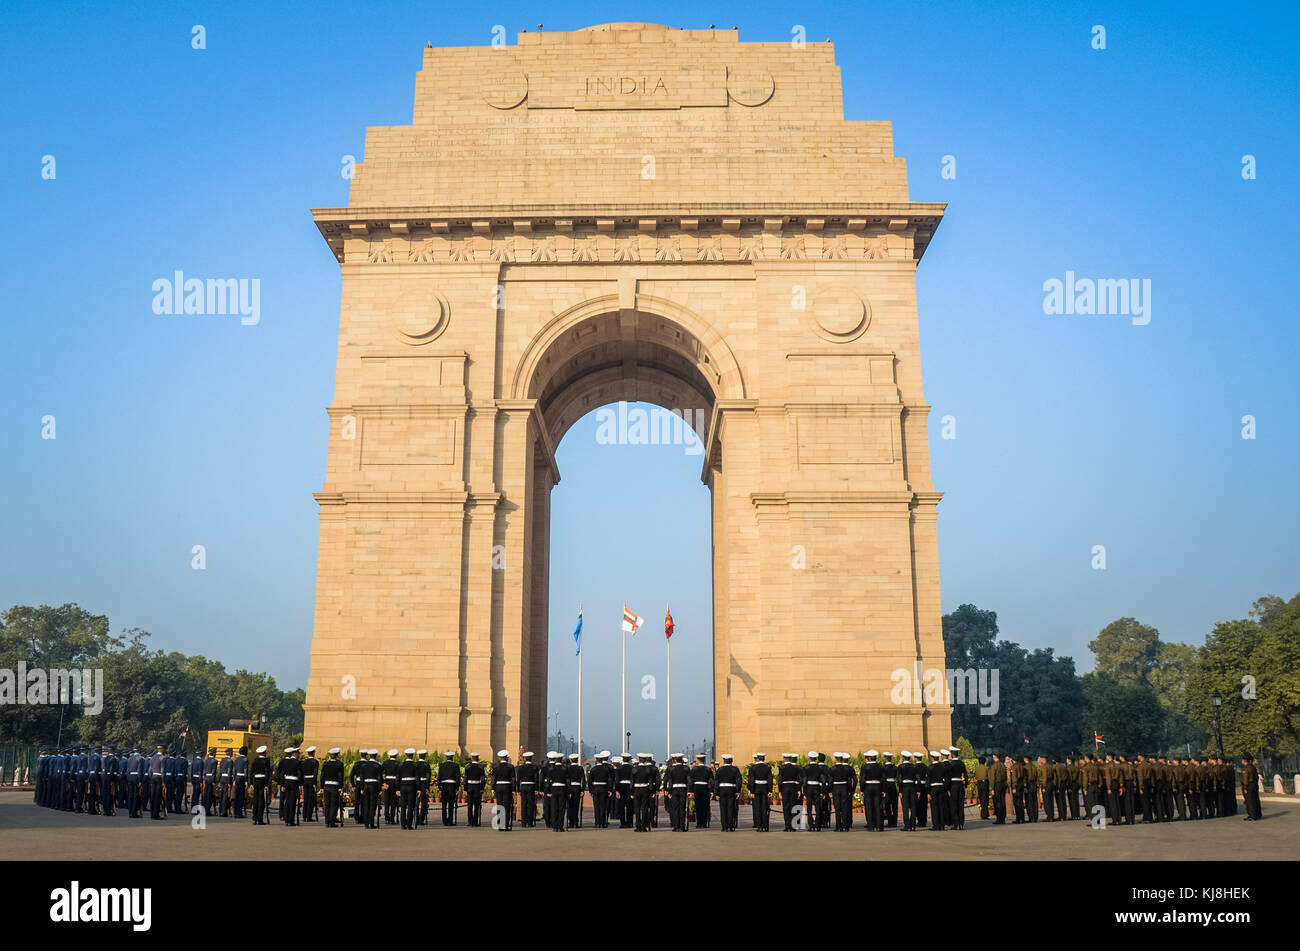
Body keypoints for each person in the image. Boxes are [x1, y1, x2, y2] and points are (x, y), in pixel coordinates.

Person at [632, 753, 658, 832]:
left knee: (637, 809)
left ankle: (638, 826)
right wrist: (651, 791)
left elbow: (632, 781)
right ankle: (643, 826)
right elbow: (650, 781)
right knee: (644, 808)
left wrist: (631, 792)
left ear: (639, 760)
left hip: (636, 790)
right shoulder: (648, 769)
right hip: (645, 790)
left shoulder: (634, 769)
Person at [715, 754, 741, 832]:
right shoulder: (735, 769)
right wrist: (738, 791)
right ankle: (731, 825)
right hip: (731, 789)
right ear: (731, 761)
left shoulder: (719, 769)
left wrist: (716, 793)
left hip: (722, 790)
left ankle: (724, 826)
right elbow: (738, 780)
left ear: (724, 760)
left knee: (723, 808)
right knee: (731, 807)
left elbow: (716, 781)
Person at [747, 753, 772, 831]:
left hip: (756, 789)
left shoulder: (753, 768)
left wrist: (751, 791)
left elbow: (751, 780)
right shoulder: (767, 767)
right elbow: (770, 780)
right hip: (764, 789)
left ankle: (759, 826)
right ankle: (765, 825)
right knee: (764, 807)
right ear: (764, 759)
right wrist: (770, 790)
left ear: (757, 758)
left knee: (757, 807)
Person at [492, 750, 516, 831]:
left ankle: (500, 825)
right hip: (507, 786)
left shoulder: (495, 767)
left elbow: (493, 779)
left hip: (498, 787)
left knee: (500, 805)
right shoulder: (510, 766)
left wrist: (493, 788)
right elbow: (513, 779)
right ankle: (506, 825)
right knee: (507, 806)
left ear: (499, 758)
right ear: (507, 758)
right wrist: (513, 789)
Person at [320, 748, 344, 827]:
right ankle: (332, 822)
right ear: (337, 755)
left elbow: (322, 776)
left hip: (326, 786)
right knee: (334, 804)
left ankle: (327, 822)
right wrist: (340, 787)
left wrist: (322, 787)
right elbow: (340, 776)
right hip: (335, 786)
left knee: (327, 804)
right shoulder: (339, 764)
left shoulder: (325, 764)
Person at [588, 752, 612, 828]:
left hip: (595, 788)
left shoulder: (593, 769)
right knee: (603, 806)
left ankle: (597, 822)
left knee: (596, 806)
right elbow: (609, 780)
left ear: (596, 760)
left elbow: (589, 781)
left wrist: (590, 791)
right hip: (604, 788)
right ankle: (602, 822)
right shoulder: (606, 769)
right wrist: (609, 789)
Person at [690, 753, 713, 829]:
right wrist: (712, 790)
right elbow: (712, 781)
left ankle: (699, 823)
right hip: (705, 788)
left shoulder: (694, 769)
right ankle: (704, 823)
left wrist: (691, 791)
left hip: (696, 788)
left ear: (697, 760)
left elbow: (691, 780)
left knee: (698, 806)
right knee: (705, 806)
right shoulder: (708, 769)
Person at [399, 748, 419, 830]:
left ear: (406, 755)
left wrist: (397, 788)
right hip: (412, 785)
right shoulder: (415, 765)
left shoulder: (401, 765)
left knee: (403, 806)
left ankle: (402, 824)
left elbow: (398, 777)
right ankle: (409, 824)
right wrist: (419, 788)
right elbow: (417, 778)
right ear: (412, 755)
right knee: (411, 806)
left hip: (403, 785)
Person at [439, 751, 461, 826]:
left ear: (446, 757)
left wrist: (439, 786)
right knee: (451, 804)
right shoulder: (456, 765)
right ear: (452, 757)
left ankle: (444, 821)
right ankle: (450, 821)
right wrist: (457, 788)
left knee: (444, 804)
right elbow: (458, 777)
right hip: (452, 785)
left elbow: (439, 776)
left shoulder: (442, 765)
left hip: (444, 785)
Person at [516, 752, 538, 827]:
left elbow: (518, 779)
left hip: (523, 786)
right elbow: (536, 779)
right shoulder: (534, 767)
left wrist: (518, 789)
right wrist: (536, 789)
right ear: (531, 758)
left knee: (523, 804)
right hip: (531, 786)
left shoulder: (521, 767)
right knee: (530, 804)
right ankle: (530, 822)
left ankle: (523, 822)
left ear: (525, 759)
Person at [465, 752, 487, 827]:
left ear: (471, 758)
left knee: (470, 805)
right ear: (478, 758)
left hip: (469, 787)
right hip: (477, 787)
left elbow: (465, 779)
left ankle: (470, 821)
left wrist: (465, 789)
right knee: (477, 805)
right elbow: (483, 779)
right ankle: (475, 821)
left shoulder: (467, 767)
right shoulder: (481, 767)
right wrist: (482, 788)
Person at [299, 747, 318, 822]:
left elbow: (301, 773)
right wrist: (314, 783)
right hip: (311, 781)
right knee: (310, 799)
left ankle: (304, 816)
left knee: (305, 799)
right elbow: (315, 774)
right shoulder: (315, 762)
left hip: (304, 781)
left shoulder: (303, 762)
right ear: (313, 753)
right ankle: (308, 816)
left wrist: (301, 784)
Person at [1240, 754, 1261, 821]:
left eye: (1242, 759)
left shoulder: (1247, 768)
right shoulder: (1253, 767)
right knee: (1255, 800)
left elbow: (1245, 778)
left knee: (1250, 801)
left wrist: (1245, 787)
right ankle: (1257, 814)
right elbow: (1257, 777)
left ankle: (1252, 815)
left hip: (1249, 785)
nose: (1241, 760)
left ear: (1245, 760)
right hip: (1254, 785)